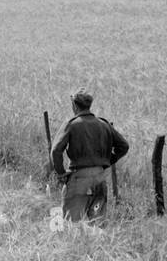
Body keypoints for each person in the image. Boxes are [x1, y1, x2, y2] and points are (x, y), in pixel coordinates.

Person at [51, 87, 129, 225]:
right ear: (89, 104)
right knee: (97, 226)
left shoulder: (71, 125)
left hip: (78, 180)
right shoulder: (104, 124)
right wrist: (107, 161)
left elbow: (56, 151)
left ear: (74, 105)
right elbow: (124, 146)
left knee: (71, 225)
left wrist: (61, 174)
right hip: (99, 179)